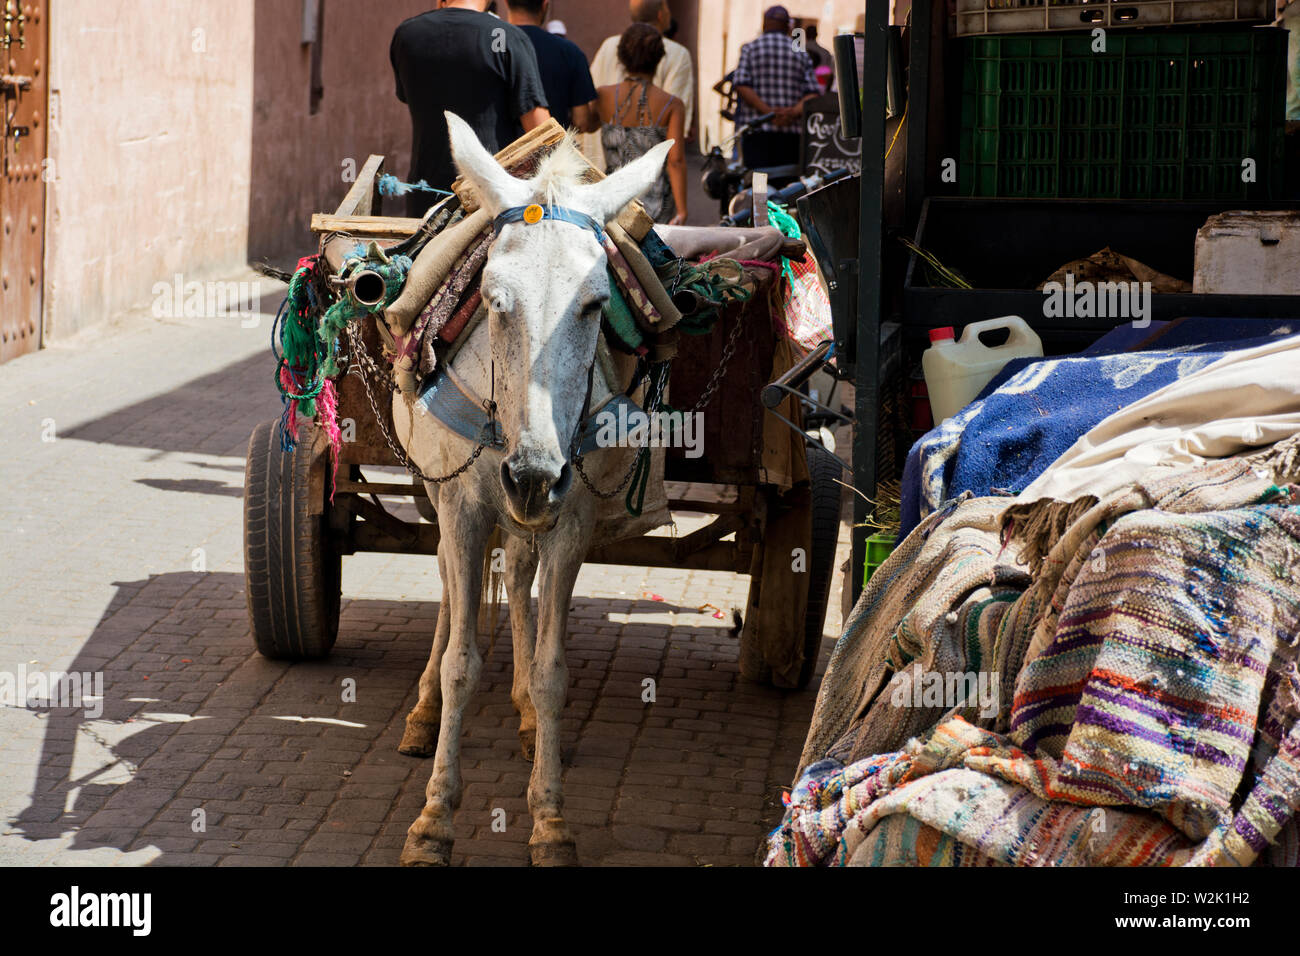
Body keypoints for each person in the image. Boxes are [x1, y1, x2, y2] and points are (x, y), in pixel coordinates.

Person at [390, 0, 550, 217]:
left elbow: (412, 98)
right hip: (489, 200)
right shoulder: (507, 37)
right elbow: (540, 132)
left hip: (426, 195)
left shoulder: (406, 35)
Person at [596, 24, 687, 224]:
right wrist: (682, 211)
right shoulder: (672, 105)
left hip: (611, 201)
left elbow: (585, 124)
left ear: (620, 57)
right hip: (656, 208)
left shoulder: (602, 96)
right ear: (659, 58)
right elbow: (676, 160)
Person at [586, 0, 695, 169]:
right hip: (651, 176)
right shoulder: (678, 54)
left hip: (603, 169)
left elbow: (588, 115)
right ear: (660, 14)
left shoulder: (608, 46)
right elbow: (675, 142)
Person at [732, 5, 823, 170]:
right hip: (791, 135)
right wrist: (791, 112)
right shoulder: (801, 54)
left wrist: (769, 113)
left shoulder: (750, 49)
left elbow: (741, 85)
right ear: (788, 25)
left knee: (759, 185)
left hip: (758, 132)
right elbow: (813, 94)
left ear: (765, 23)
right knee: (786, 187)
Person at [506, 0, 599, 132]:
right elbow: (581, 120)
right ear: (545, 5)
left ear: (506, 2)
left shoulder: (492, 45)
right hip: (552, 148)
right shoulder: (570, 52)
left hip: (496, 149)